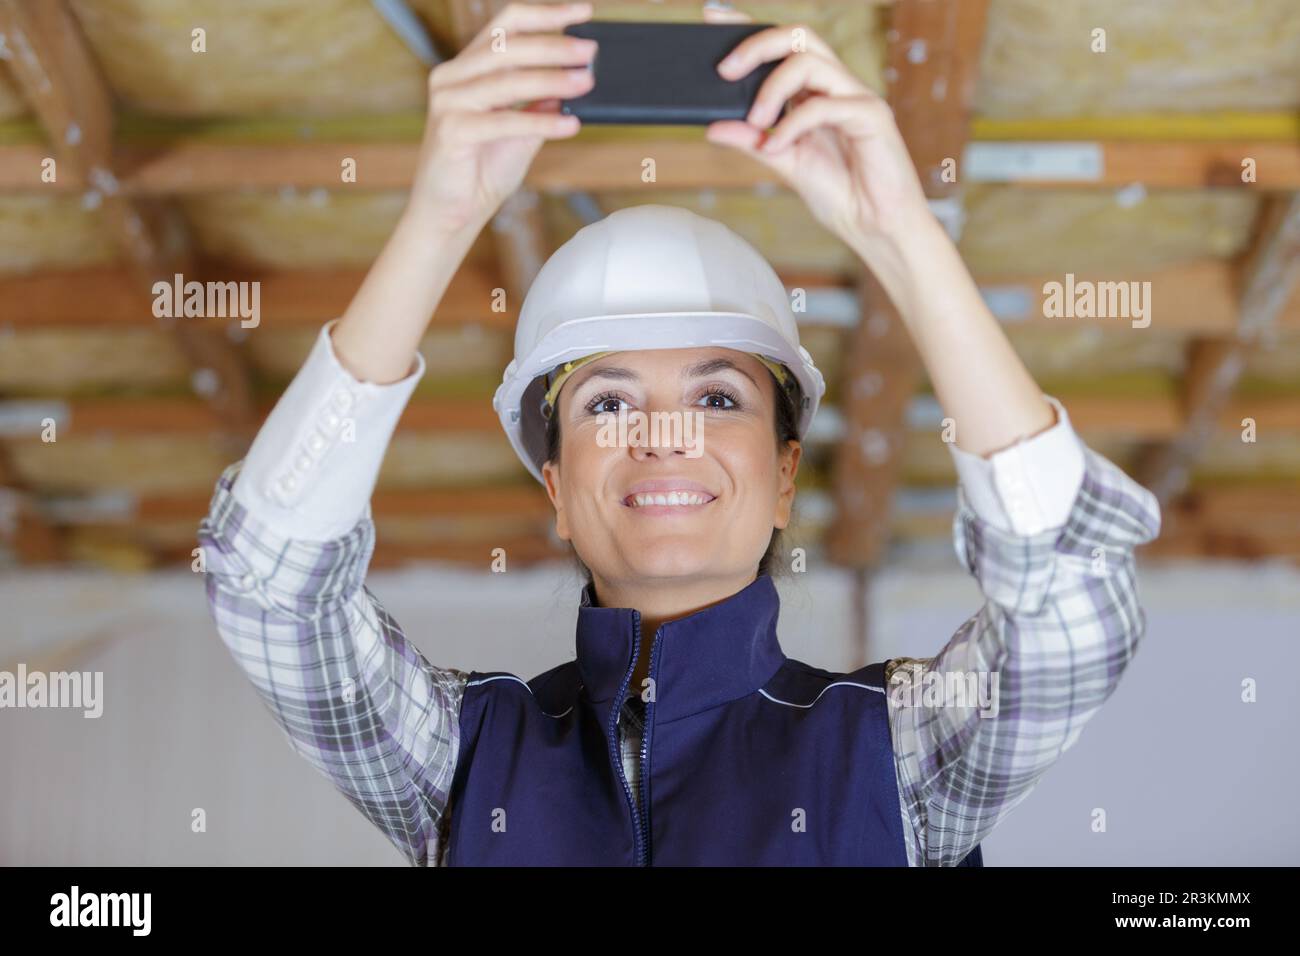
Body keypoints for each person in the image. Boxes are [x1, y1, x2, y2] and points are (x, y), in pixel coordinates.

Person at [197, 1, 1160, 866]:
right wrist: (439, 223)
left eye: (718, 399)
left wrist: (900, 235)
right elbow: (267, 586)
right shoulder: (464, 758)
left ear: (786, 477)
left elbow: (1072, 619)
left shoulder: (893, 755)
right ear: (556, 489)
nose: (663, 434)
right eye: (607, 404)